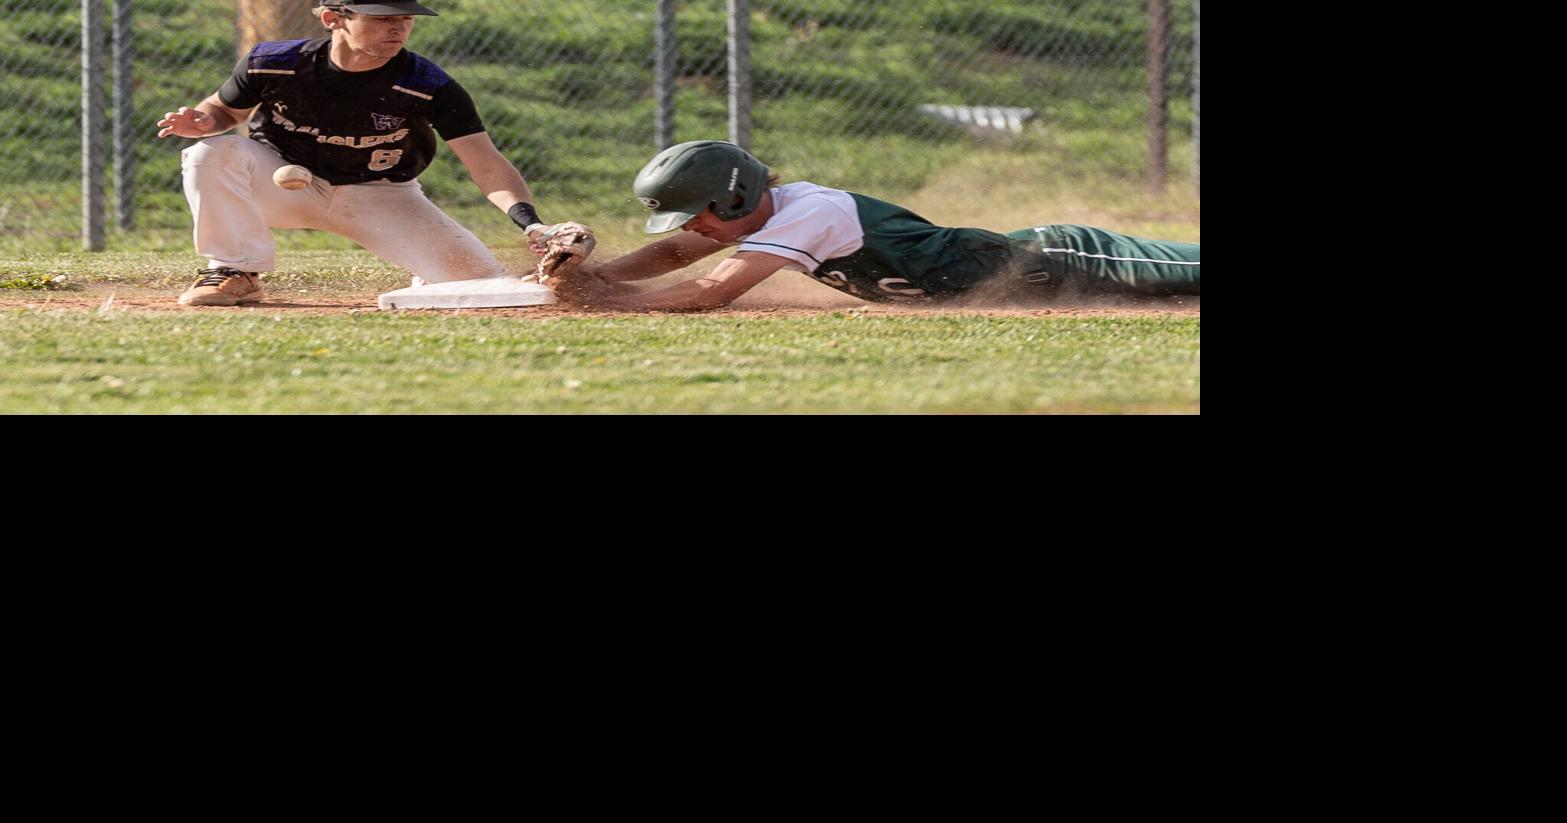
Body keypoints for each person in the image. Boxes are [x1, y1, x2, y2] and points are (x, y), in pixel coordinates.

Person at [156, 1, 562, 306]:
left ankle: (427, 271)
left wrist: (531, 225)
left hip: (380, 194)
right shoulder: (273, 63)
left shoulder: (426, 84)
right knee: (210, 152)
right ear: (334, 18)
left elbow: (485, 163)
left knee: (481, 285)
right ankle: (234, 269)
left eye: (405, 18)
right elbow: (224, 110)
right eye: (382, 17)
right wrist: (204, 121)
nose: (399, 27)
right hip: (285, 180)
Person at [549, 140, 1200, 311]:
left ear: (738, 194)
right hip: (1050, 282)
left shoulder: (811, 212)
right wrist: (590, 273)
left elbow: (708, 290)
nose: (696, 230)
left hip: (1068, 258)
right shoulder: (761, 217)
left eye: (700, 216)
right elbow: (670, 256)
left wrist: (600, 297)